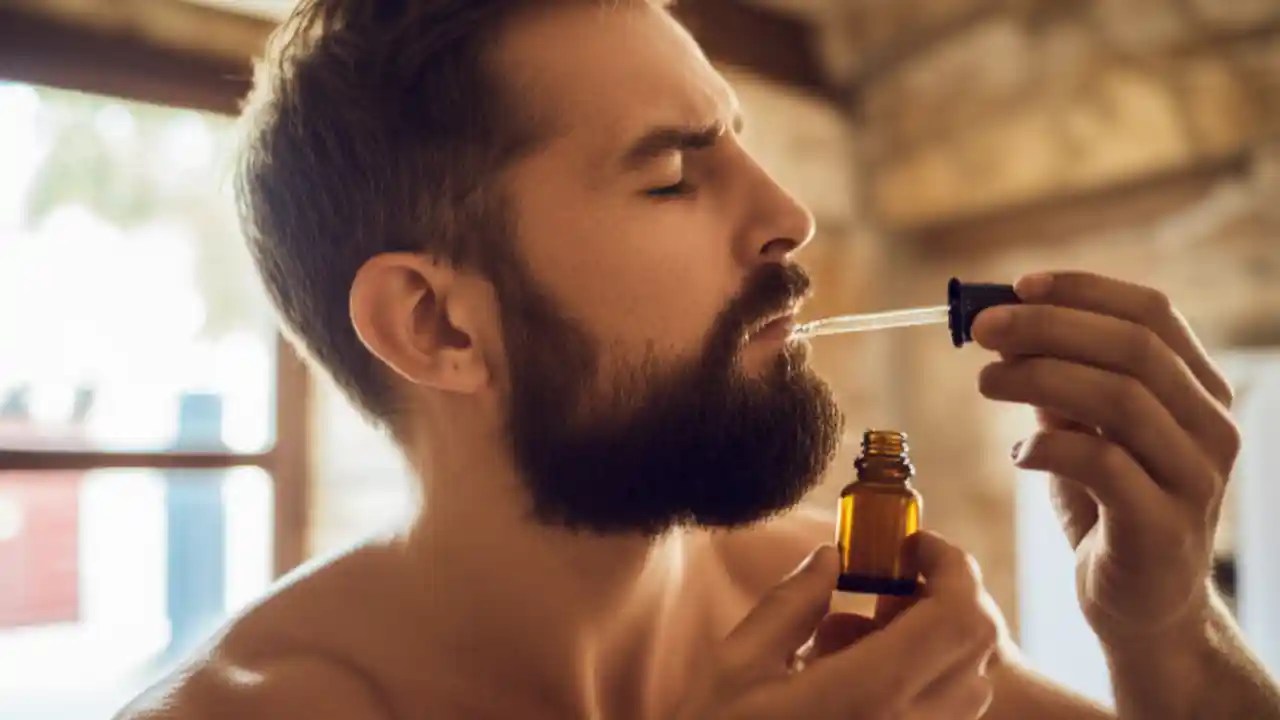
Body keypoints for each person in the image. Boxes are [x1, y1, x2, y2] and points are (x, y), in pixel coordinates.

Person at [118, 1, 1280, 717]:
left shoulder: (846, 609)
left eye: (740, 141)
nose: (787, 215)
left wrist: (1165, 626)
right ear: (439, 326)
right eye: (672, 174)